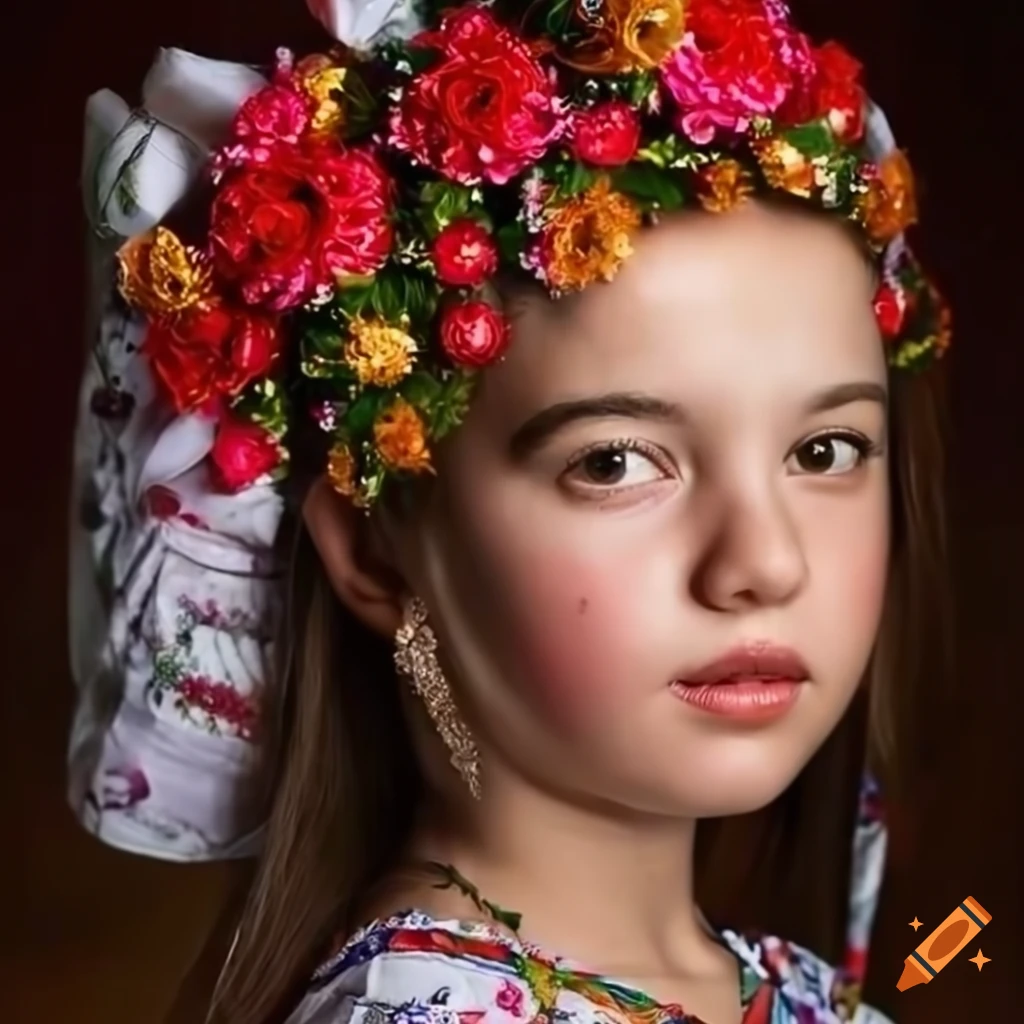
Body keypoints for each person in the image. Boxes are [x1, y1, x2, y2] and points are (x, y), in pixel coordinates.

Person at [71, 1, 950, 1021]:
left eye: (822, 450)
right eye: (616, 462)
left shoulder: (789, 991)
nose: (763, 561)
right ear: (373, 550)